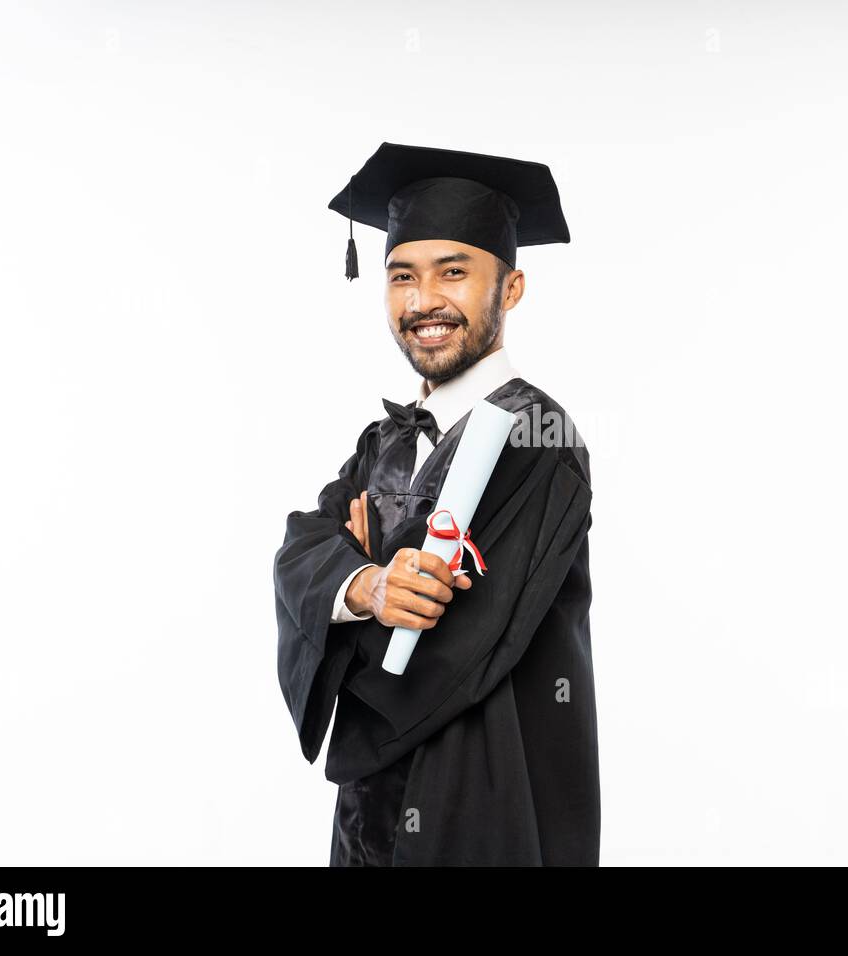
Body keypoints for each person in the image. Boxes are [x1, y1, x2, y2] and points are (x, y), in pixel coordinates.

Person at [273, 142, 600, 866]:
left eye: (454, 272)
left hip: (486, 801)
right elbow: (299, 551)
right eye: (402, 277)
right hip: (366, 819)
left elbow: (445, 646)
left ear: (509, 288)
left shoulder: (541, 442)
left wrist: (357, 576)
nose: (424, 302)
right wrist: (367, 583)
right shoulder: (382, 441)